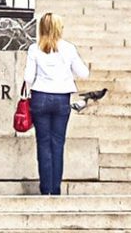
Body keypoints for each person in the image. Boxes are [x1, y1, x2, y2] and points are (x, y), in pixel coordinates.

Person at [24, 12, 89, 195]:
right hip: (61, 99)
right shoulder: (68, 48)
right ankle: (56, 189)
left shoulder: (34, 49)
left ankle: (45, 189)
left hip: (40, 97)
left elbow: (28, 77)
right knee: (58, 144)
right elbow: (84, 73)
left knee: (43, 144)